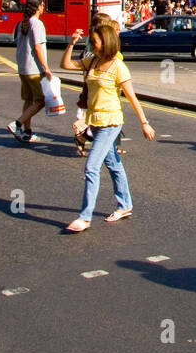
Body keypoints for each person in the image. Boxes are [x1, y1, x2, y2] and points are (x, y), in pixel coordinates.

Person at [61, 22, 155, 232]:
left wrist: (144, 123)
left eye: (94, 42)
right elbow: (66, 65)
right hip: (95, 121)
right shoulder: (92, 61)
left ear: (105, 42)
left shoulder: (118, 66)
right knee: (114, 164)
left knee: (91, 167)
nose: (91, 45)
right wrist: (72, 44)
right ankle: (125, 205)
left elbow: (132, 98)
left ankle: (84, 218)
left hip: (111, 122)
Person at [9, 0, 52, 144]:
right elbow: (38, 47)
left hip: (23, 67)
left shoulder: (22, 23)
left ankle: (27, 132)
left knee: (28, 100)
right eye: (42, 4)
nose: (43, 6)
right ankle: (17, 124)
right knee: (40, 101)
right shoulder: (37, 23)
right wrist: (46, 68)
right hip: (34, 68)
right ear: (39, 7)